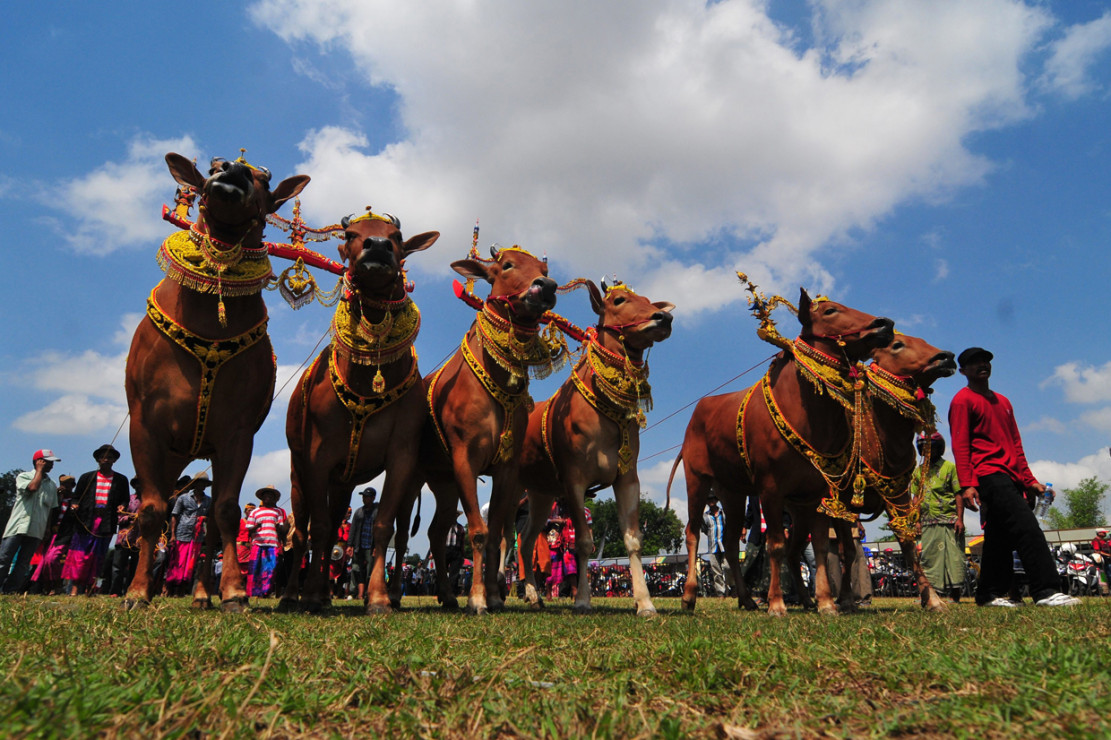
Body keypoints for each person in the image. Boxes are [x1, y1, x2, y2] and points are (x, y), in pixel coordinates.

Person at [948, 347, 1078, 607]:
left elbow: (1016, 445)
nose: (982, 365)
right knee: (1027, 528)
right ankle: (1046, 590)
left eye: (986, 360)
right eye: (974, 362)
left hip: (1012, 477)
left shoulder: (1004, 402)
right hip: (989, 474)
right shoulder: (962, 400)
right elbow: (960, 444)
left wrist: (1030, 481)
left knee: (999, 537)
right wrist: (967, 484)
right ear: (962, 371)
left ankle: (988, 594)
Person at [61, 444, 131, 596]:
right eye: (103, 457)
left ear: (114, 461)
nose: (106, 460)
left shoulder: (121, 479)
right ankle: (74, 588)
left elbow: (125, 499)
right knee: (80, 554)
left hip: (106, 522)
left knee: (98, 555)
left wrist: (122, 506)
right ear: (98, 459)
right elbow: (76, 497)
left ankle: (90, 587)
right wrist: (74, 505)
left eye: (110, 457)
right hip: (86, 521)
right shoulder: (87, 477)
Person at [911, 432, 966, 602]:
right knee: (929, 558)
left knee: (953, 558)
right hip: (928, 522)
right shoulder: (918, 472)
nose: (928, 452)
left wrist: (960, 519)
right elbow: (916, 497)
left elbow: (958, 494)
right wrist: (916, 521)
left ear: (939, 449)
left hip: (950, 521)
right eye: (924, 449)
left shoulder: (950, 467)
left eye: (931, 448)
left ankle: (955, 596)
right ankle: (931, 595)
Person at [0, 450, 62, 593]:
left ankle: (11, 590)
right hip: (18, 525)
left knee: (23, 562)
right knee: (4, 558)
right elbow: (33, 487)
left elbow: (50, 509)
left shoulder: (51, 485)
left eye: (52, 462)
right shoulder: (24, 477)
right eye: (48, 462)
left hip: (37, 528)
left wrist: (47, 529)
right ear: (39, 462)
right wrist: (38, 471)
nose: (51, 465)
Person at [164, 473, 212, 596]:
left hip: (197, 536)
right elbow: (174, 516)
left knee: (190, 564)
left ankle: (182, 590)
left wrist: (205, 519)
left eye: (204, 483)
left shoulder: (208, 500)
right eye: (200, 483)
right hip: (182, 533)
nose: (202, 485)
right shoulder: (183, 498)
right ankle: (169, 588)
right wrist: (173, 534)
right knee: (177, 561)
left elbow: (211, 517)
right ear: (194, 484)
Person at [30, 474, 77, 594]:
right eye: (63, 484)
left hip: (66, 535)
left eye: (68, 485)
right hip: (52, 534)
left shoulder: (76, 501)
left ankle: (57, 584)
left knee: (52, 558)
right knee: (44, 561)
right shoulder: (55, 499)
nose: (64, 487)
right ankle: (48, 586)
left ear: (72, 486)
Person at [246, 486, 289, 597]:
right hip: (258, 543)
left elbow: (281, 528)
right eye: (266, 496)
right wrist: (257, 526)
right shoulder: (255, 512)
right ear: (262, 498)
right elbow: (249, 529)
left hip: (272, 544)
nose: (268, 498)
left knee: (270, 568)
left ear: (274, 499)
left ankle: (266, 591)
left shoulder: (278, 512)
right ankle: (253, 592)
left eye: (270, 496)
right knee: (255, 567)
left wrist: (279, 527)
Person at [107, 477, 144, 596]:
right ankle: (115, 591)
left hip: (139, 539)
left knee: (135, 568)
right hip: (124, 538)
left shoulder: (148, 501)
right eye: (138, 484)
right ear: (134, 486)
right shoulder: (127, 500)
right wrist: (129, 517)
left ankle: (130, 591)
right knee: (118, 567)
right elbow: (118, 518)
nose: (140, 486)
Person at [700, 493, 733, 596]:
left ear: (717, 500)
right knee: (716, 571)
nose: (711, 501)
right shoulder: (705, 516)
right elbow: (704, 529)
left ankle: (732, 586)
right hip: (713, 546)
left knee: (727, 567)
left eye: (713, 499)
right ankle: (720, 592)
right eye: (709, 499)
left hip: (725, 545)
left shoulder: (724, 513)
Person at [348, 487, 379, 601]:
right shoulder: (359, 512)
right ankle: (355, 592)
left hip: (371, 546)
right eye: (363, 496)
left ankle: (368, 593)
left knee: (370, 571)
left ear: (373, 498)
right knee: (356, 569)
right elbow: (353, 529)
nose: (364, 499)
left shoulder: (377, 511)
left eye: (367, 497)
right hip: (359, 545)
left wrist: (377, 546)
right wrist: (350, 545)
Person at [445, 511, 466, 597]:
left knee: (454, 574)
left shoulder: (460, 528)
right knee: (442, 572)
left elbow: (462, 542)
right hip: (445, 549)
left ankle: (452, 592)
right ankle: (441, 591)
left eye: (456, 514)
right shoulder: (444, 526)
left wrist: (462, 554)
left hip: (456, 551)